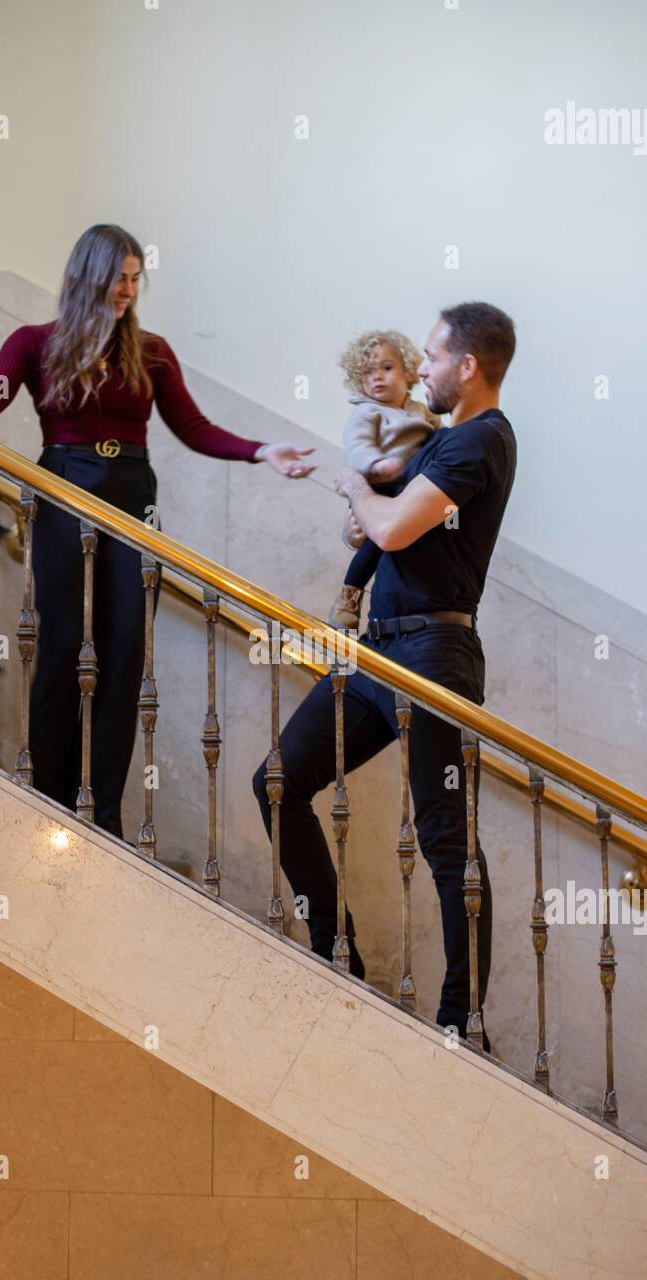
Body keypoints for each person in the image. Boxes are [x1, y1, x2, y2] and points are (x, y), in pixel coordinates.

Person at [0, 224, 314, 838]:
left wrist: (262, 450)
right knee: (64, 642)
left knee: (124, 652)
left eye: (135, 279)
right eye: (119, 277)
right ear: (88, 274)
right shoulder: (35, 343)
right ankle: (48, 794)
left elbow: (194, 428)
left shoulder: (153, 352)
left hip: (133, 494)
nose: (127, 290)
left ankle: (104, 810)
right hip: (64, 483)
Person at [253, 302, 517, 1047]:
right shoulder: (441, 441)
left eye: (432, 356)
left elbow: (393, 525)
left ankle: (462, 1023)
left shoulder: (481, 437)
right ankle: (342, 960)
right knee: (278, 782)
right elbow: (384, 525)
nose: (422, 368)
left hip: (437, 654)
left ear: (467, 366)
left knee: (444, 836)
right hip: (379, 651)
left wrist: (357, 493)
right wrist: (365, 509)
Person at [328, 330, 441, 629]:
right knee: (373, 544)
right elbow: (358, 445)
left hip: (413, 485)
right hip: (381, 486)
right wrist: (376, 464)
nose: (377, 377)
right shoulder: (367, 412)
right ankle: (350, 594)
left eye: (387, 368)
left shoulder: (422, 412)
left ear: (408, 372)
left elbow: (439, 436)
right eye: (368, 373)